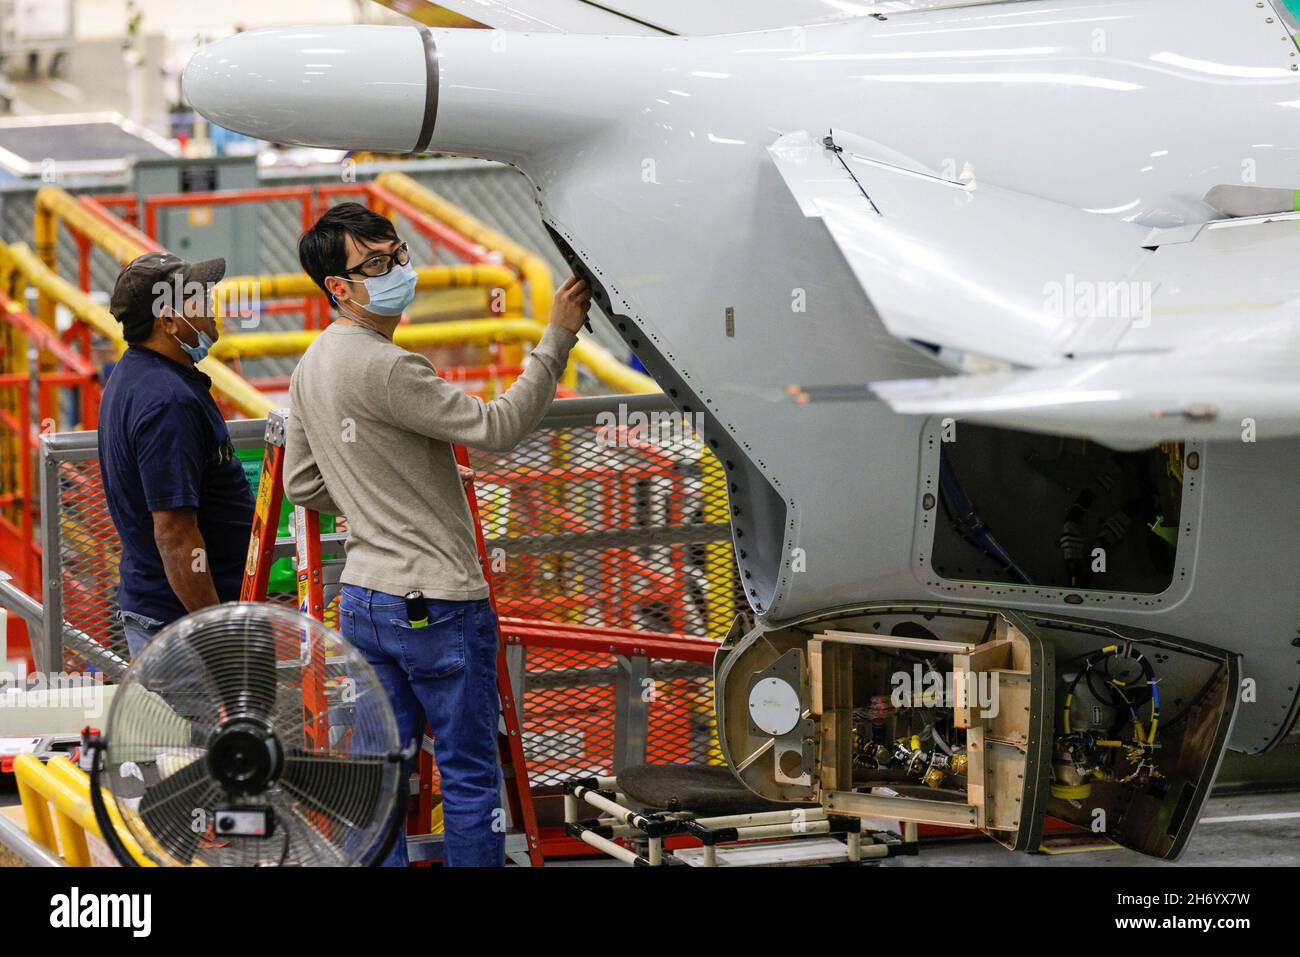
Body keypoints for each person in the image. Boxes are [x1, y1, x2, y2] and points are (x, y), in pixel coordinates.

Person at [286, 202, 591, 866]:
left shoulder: (312, 364)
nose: (398, 269)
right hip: (438, 604)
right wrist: (558, 336)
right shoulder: (391, 368)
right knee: (470, 774)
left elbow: (301, 484)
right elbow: (499, 426)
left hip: (365, 599)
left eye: (397, 253)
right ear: (339, 287)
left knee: (382, 776)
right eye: (376, 263)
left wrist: (372, 496)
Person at [100, 253, 254, 657]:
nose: (210, 305)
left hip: (172, 616)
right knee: (223, 722)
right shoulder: (168, 402)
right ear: (168, 320)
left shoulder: (136, 374)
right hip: (186, 627)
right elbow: (174, 533)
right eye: (197, 297)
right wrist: (217, 634)